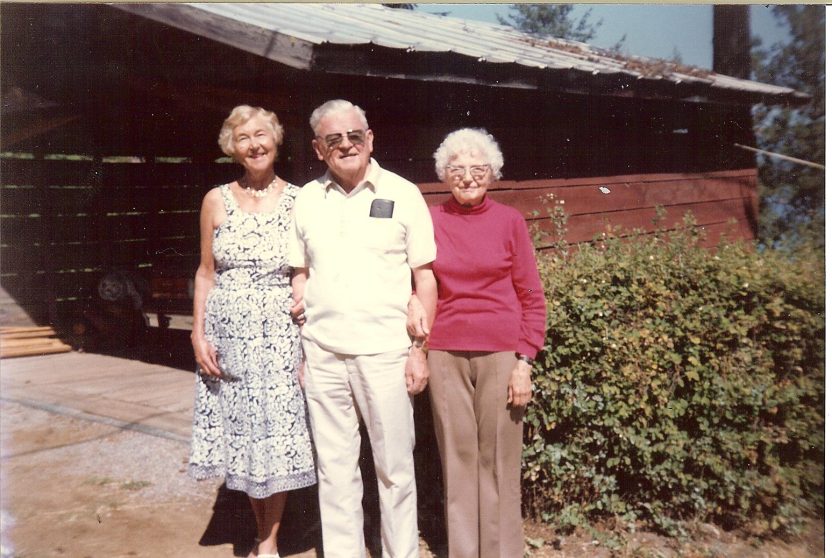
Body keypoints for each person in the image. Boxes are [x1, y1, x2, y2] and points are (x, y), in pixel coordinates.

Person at [288, 99, 437, 558]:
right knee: (335, 471)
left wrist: (419, 350)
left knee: (394, 470)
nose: (346, 145)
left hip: (385, 354)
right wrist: (303, 351)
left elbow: (425, 277)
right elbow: (300, 274)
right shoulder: (306, 199)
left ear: (370, 139)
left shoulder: (404, 193)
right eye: (334, 139)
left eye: (355, 135)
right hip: (324, 354)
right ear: (318, 149)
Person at [408, 128, 547, 558]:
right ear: (444, 174)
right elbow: (412, 276)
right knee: (458, 458)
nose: (468, 177)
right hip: (445, 350)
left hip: (501, 352)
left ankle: (503, 552)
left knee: (500, 460)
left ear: (492, 173)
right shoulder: (429, 219)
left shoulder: (509, 221)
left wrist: (524, 360)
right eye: (458, 169)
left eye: (478, 168)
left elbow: (531, 295)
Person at [189, 105, 316, 558]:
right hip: (228, 336)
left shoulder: (302, 199)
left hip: (281, 335)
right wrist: (197, 333)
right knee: (244, 435)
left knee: (277, 436)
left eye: (262, 134)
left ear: (277, 140)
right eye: (243, 138)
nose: (255, 144)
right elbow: (206, 272)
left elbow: (311, 267)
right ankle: (261, 529)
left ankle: (268, 540)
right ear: (232, 147)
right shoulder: (215, 200)